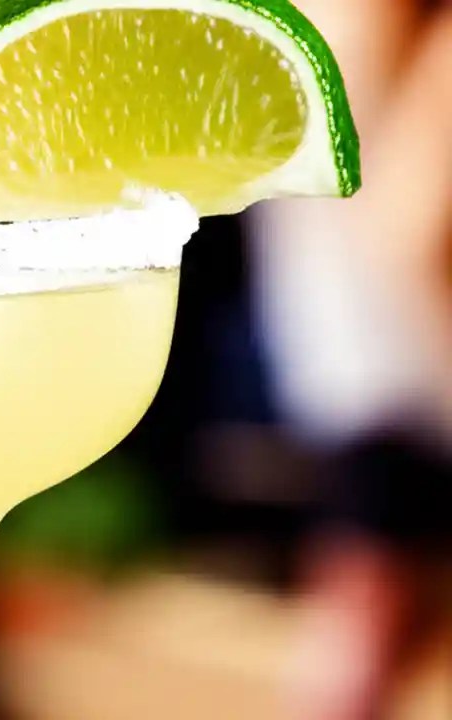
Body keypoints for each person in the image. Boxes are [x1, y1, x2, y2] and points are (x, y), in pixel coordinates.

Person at [250, 1, 452, 718]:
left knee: (380, 628)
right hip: (407, 381)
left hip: (333, 365)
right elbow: (413, 226)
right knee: (369, 631)